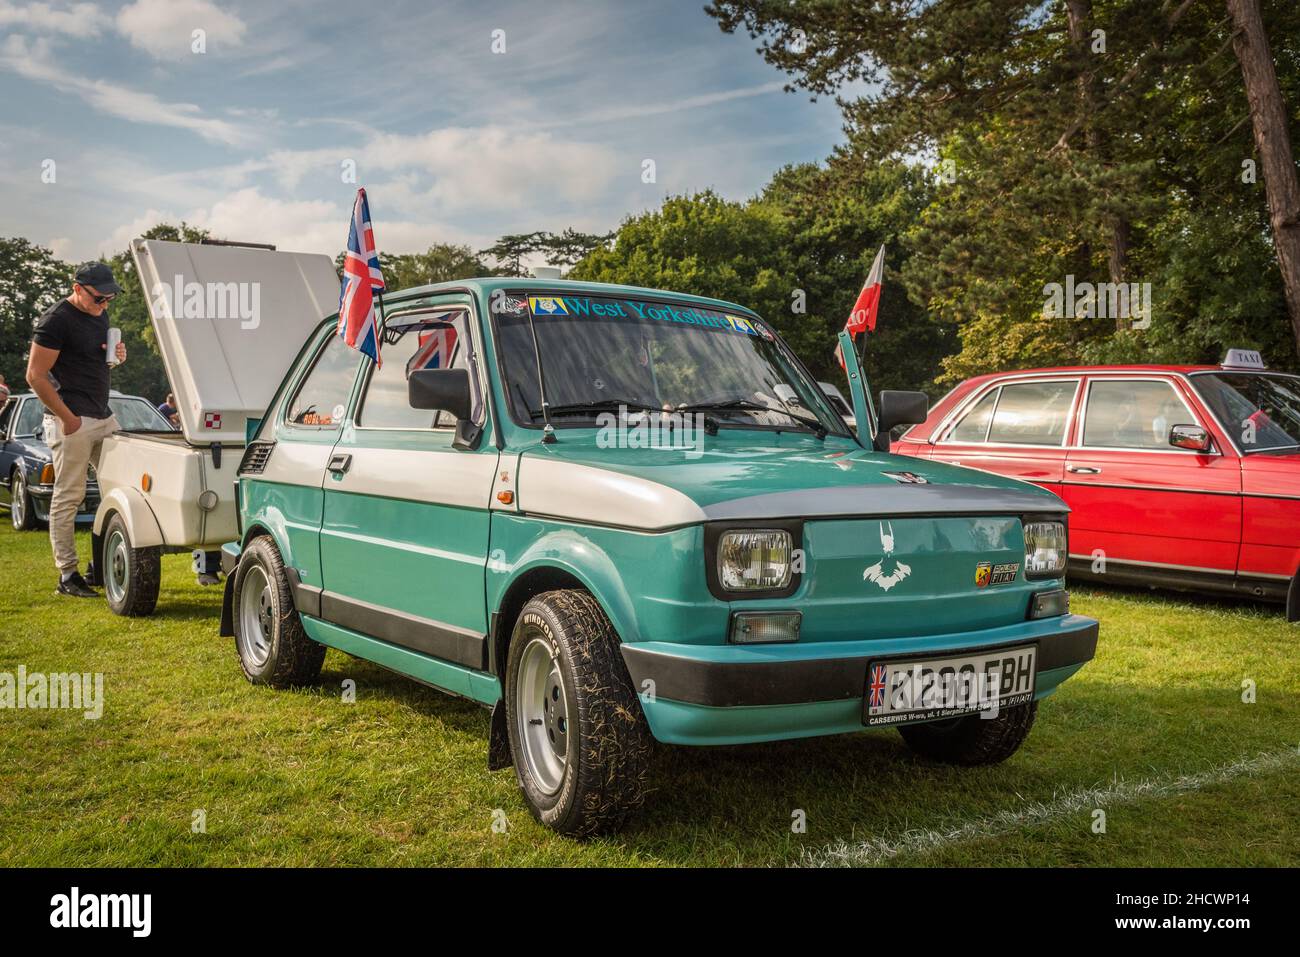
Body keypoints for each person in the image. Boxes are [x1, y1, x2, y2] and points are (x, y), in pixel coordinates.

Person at [25, 262, 127, 597]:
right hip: (71, 420)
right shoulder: (55, 320)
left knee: (120, 489)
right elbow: (35, 376)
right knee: (69, 497)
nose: (105, 305)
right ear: (78, 288)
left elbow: (95, 362)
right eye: (99, 298)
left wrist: (118, 356)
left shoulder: (100, 314)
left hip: (103, 416)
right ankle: (67, 576)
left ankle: (101, 564)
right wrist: (68, 418)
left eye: (110, 298)